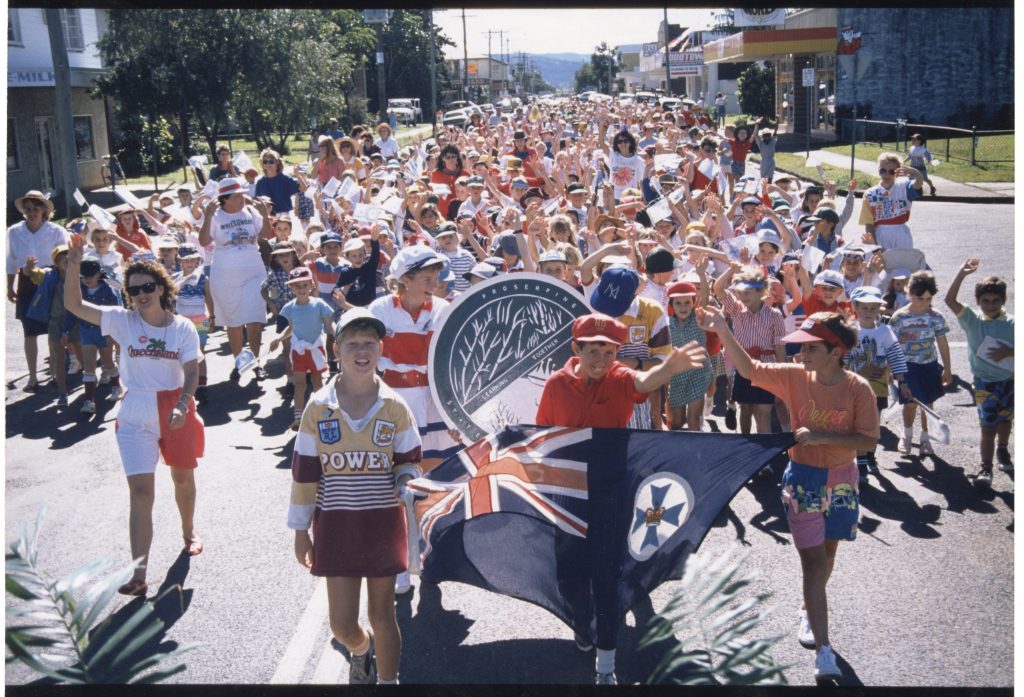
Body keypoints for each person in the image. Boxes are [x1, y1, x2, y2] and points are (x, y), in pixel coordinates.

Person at [696, 307, 879, 683]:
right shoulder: (795, 376)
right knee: (812, 563)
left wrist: (821, 435)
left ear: (836, 351)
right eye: (800, 348)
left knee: (828, 553)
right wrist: (723, 329)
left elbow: (868, 440)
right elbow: (749, 371)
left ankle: (807, 606)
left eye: (810, 348)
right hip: (804, 480)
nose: (800, 355)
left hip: (843, 480)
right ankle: (824, 650)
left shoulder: (858, 388)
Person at [535, 313, 707, 685]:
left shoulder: (621, 377)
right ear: (575, 349)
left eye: (609, 351)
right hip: (568, 493)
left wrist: (669, 368)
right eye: (592, 351)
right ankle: (582, 622)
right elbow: (544, 438)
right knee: (571, 570)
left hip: (613, 489)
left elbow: (645, 380)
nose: (600, 360)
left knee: (608, 570)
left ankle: (606, 664)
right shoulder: (555, 384)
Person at [63, 233, 205, 597]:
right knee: (140, 492)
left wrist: (183, 402)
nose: (142, 294)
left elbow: (191, 371)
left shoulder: (182, 327)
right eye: (135, 289)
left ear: (161, 287)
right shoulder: (122, 321)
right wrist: (75, 265)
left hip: (175, 406)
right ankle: (139, 573)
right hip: (136, 409)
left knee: (182, 481)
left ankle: (188, 531)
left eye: (148, 286)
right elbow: (75, 305)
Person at [288, 308, 422, 684]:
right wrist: (301, 530)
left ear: (380, 350)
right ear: (336, 349)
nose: (361, 351)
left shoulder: (395, 406)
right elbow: (305, 473)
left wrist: (405, 481)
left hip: (382, 524)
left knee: (384, 615)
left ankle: (388, 682)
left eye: (369, 344)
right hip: (336, 524)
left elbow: (411, 461)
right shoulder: (318, 407)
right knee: (343, 625)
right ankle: (362, 652)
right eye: (353, 344)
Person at [369, 247, 461, 596]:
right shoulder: (378, 311)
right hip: (395, 407)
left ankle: (428, 556)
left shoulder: (442, 310)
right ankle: (401, 562)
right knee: (398, 489)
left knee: (432, 487)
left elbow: (452, 364)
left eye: (436, 276)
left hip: (435, 407)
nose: (434, 283)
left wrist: (455, 413)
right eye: (426, 277)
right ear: (403, 280)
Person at [944, 258, 1014, 488]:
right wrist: (962, 274)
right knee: (988, 427)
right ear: (978, 301)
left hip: (1011, 381)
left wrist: (1009, 350)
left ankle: (1003, 450)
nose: (991, 305)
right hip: (984, 384)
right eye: (985, 301)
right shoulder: (972, 320)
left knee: (1006, 421)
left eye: (996, 301)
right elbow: (949, 300)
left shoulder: (1013, 323)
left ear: (1003, 301)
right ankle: (986, 468)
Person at [199, 178, 271, 381]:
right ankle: (240, 362)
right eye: (237, 196)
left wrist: (264, 213)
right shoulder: (215, 215)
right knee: (234, 321)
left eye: (242, 194)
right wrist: (207, 217)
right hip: (225, 275)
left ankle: (256, 362)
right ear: (225, 200)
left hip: (253, 272)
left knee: (255, 318)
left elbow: (266, 233)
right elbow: (204, 241)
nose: (243, 198)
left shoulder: (249, 211)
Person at [843, 286, 911, 481]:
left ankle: (870, 456)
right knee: (858, 424)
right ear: (855, 307)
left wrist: (902, 381)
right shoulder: (850, 331)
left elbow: (896, 356)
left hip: (878, 387)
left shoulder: (885, 331)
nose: (869, 312)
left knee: (873, 424)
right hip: (854, 387)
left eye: (873, 308)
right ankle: (861, 463)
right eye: (864, 307)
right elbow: (843, 358)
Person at [6, 190, 71, 392]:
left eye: (36, 209)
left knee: (53, 329)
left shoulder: (56, 231)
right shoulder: (14, 232)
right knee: (29, 332)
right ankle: (33, 377)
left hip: (51, 280)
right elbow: (10, 261)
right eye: (28, 209)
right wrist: (10, 286)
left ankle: (53, 371)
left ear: (44, 210)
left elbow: (66, 260)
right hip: (27, 282)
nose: (32, 212)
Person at [888, 270, 952, 457]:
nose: (924, 303)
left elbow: (942, 342)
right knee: (909, 403)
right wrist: (891, 368)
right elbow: (891, 345)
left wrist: (947, 368)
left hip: (929, 365)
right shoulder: (899, 317)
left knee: (928, 403)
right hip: (906, 366)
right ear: (909, 293)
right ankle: (907, 435)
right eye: (920, 298)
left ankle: (926, 439)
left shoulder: (936, 316)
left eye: (928, 299)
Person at [269, 267, 334, 430]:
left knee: (317, 381)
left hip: (315, 349)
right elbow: (291, 328)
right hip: (298, 350)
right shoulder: (290, 308)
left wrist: (338, 336)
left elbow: (328, 324)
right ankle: (298, 417)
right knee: (300, 384)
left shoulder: (319, 304)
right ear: (291, 288)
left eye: (305, 285)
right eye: (297, 286)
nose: (301, 289)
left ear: (312, 285)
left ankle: (323, 413)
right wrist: (278, 338)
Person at [61, 258, 123, 413]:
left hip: (105, 331)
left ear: (98, 275)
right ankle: (89, 400)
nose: (87, 278)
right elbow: (71, 311)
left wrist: (115, 335)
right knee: (89, 366)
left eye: (91, 275)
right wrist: (65, 330)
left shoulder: (108, 290)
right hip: (86, 331)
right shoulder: (79, 289)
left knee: (108, 363)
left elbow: (116, 312)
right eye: (84, 275)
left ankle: (116, 385)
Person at [23, 246, 79, 407]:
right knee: (59, 358)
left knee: (83, 357)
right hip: (56, 322)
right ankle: (62, 392)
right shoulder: (49, 276)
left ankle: (90, 388)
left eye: (71, 259)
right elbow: (31, 274)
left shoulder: (79, 275)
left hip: (77, 321)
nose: (68, 263)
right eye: (64, 261)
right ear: (57, 264)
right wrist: (28, 267)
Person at [665, 280, 719, 432]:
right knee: (677, 421)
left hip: (698, 372)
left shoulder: (698, 317)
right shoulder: (667, 323)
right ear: (671, 305)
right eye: (678, 303)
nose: (683, 307)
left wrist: (702, 274)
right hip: (677, 374)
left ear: (694, 303)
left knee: (693, 419)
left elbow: (706, 297)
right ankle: (674, 451)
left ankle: (697, 453)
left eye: (687, 302)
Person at [173, 245, 214, 404]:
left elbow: (208, 298)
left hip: (199, 320)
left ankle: (202, 385)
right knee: (182, 353)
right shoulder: (175, 278)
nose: (190, 263)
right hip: (181, 322)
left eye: (193, 259)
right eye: (186, 260)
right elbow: (170, 297)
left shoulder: (203, 279)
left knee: (200, 353)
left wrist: (212, 317)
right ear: (180, 261)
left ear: (198, 260)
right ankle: (186, 385)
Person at [859, 152, 924, 250]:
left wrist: (914, 172)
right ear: (878, 171)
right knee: (883, 264)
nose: (886, 175)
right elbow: (869, 224)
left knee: (903, 263)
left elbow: (918, 184)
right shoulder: (870, 194)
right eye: (883, 171)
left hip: (901, 234)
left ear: (897, 172)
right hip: (880, 234)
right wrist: (874, 245)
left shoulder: (904, 187)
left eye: (891, 171)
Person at [255, 149, 302, 216]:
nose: (268, 164)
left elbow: (303, 188)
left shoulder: (285, 179)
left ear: (277, 162)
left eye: (271, 161)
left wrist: (297, 175)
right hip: (267, 215)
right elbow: (258, 202)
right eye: (265, 161)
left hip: (283, 214)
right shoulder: (260, 183)